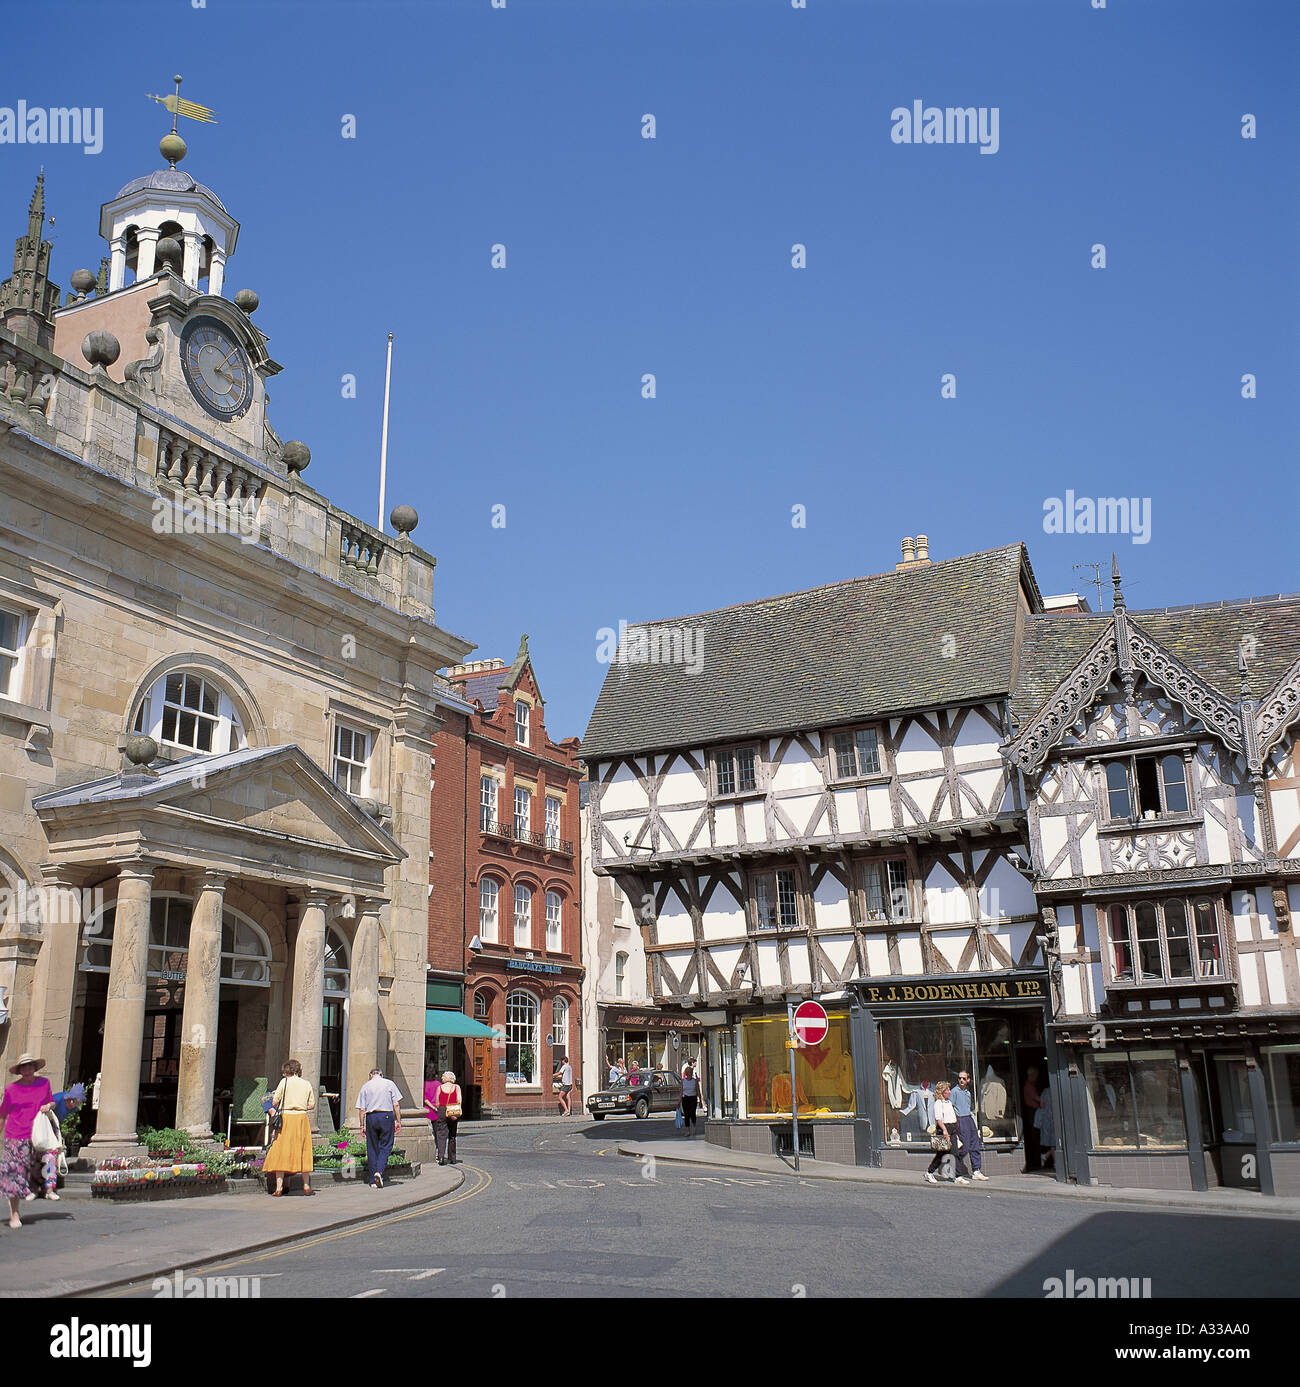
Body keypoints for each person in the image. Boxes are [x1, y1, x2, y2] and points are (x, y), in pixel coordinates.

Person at [0, 1054, 54, 1227]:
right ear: (19, 1071)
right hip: (16, 1135)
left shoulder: (44, 1083)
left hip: (38, 1136)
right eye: (23, 1067)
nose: (27, 1069)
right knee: (14, 1174)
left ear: (34, 1067)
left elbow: (51, 1102)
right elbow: (2, 1115)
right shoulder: (11, 1089)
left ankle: (37, 1190)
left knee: (34, 1169)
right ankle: (14, 1213)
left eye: (30, 1065)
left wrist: (49, 1106)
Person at [262, 1060, 316, 1197]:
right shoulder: (306, 1084)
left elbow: (275, 1101)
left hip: (286, 1117)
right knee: (303, 1149)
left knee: (281, 1150)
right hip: (302, 1118)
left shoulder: (284, 1082)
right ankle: (306, 1186)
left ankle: (279, 1188)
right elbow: (311, 1105)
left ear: (287, 1071)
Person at [33, 1083, 85, 1201]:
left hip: (52, 1130)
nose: (76, 1106)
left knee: (52, 1157)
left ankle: (49, 1190)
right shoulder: (58, 1099)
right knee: (36, 1157)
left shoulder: (73, 1108)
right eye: (76, 1102)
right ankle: (34, 1189)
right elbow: (45, 1108)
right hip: (42, 1128)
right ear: (71, 1099)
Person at [355, 1066, 403, 1188]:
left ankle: (372, 1181)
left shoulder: (366, 1086)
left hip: (371, 1117)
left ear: (371, 1075)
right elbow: (396, 1104)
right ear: (381, 1075)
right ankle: (379, 1171)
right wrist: (398, 1121)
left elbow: (362, 1109)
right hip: (386, 1116)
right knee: (386, 1145)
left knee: (372, 1147)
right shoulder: (389, 1084)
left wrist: (361, 1125)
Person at [950, 1069, 988, 1181]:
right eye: (960, 1078)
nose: (961, 1080)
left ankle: (976, 1170)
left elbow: (967, 1107)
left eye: (964, 1078)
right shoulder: (954, 1091)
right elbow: (950, 1107)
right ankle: (956, 1168)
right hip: (960, 1119)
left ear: (968, 1080)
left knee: (975, 1143)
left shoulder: (968, 1093)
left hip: (969, 1118)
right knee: (964, 1146)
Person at [926, 1081, 959, 1184]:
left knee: (955, 1153)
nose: (949, 1092)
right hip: (944, 1128)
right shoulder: (938, 1103)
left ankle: (956, 1176)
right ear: (942, 1092)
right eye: (947, 1090)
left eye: (949, 1089)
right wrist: (945, 1130)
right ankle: (929, 1172)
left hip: (952, 1127)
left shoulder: (949, 1102)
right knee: (942, 1153)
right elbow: (939, 1118)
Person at [432, 1070, 463, 1165]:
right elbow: (459, 1100)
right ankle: (452, 1158)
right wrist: (454, 1112)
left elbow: (437, 1103)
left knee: (441, 1134)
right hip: (453, 1110)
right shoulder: (456, 1087)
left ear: (445, 1078)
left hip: (442, 1110)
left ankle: (441, 1157)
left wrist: (441, 1109)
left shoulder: (440, 1087)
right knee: (452, 1135)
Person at [1021, 1065, 1043, 1172]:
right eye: (1036, 1075)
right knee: (1034, 1136)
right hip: (1032, 1112)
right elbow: (1037, 1099)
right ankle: (1035, 1162)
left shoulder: (1030, 1085)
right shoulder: (1029, 1086)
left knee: (1035, 1135)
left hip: (1033, 1111)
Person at [1036, 1080, 1056, 1170]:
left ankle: (1046, 1156)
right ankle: (1054, 1162)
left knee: (1053, 1142)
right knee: (1054, 1142)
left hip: (1048, 1119)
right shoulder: (1056, 1090)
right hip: (1054, 1119)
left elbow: (1041, 1104)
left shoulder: (1045, 1091)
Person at [680, 1058, 702, 1136]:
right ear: (686, 1073)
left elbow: (698, 1090)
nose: (689, 1074)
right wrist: (679, 1101)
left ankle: (694, 1127)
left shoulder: (694, 1081)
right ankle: (687, 1130)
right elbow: (681, 1091)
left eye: (690, 1072)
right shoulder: (683, 1081)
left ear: (691, 1073)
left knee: (692, 1113)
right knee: (686, 1114)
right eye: (687, 1072)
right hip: (685, 1098)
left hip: (693, 1098)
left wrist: (701, 1101)